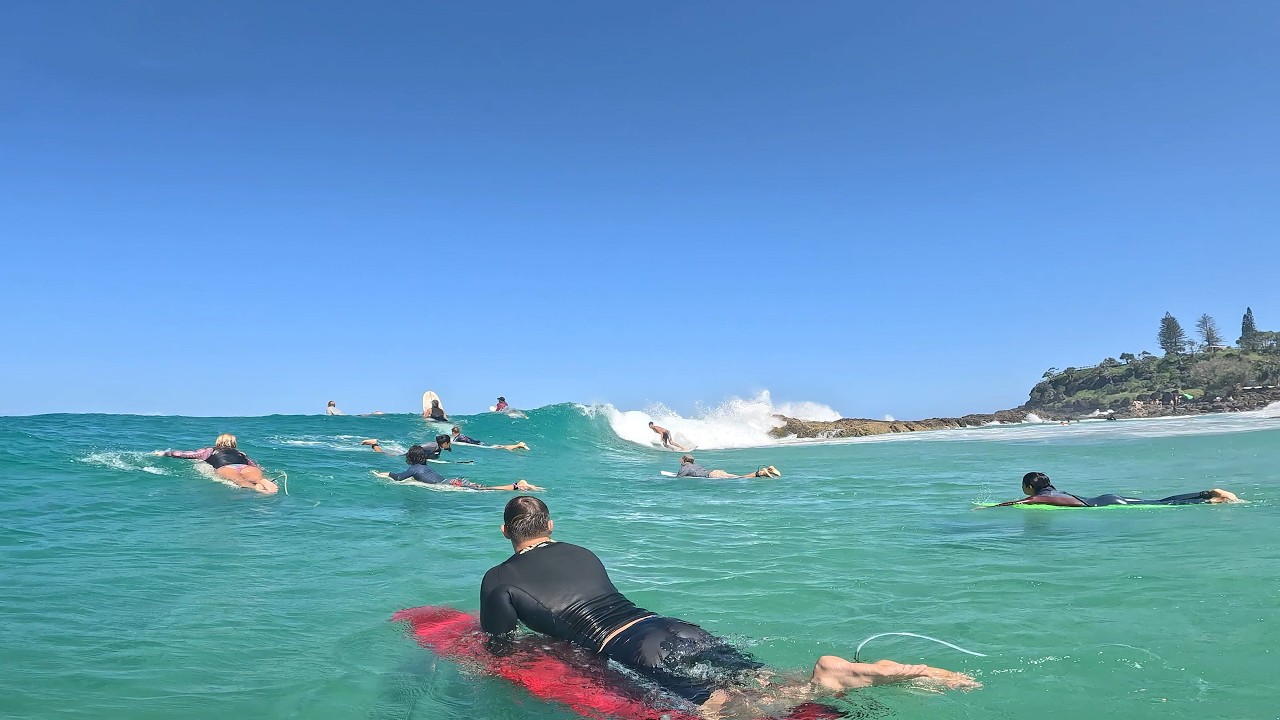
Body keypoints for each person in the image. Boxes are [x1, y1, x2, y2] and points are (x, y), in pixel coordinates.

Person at [481, 498, 977, 717]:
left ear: (506, 532)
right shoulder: (582, 551)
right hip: (669, 626)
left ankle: (821, 681)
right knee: (754, 680)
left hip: (627, 649)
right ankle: (830, 676)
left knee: (722, 711)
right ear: (552, 524)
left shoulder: (499, 578)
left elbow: (501, 641)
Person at [990, 472, 1243, 508]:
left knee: (1158, 504)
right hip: (1107, 497)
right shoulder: (1055, 491)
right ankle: (1206, 494)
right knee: (1157, 501)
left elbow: (1024, 502)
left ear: (1028, 487)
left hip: (1105, 504)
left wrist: (991, 507)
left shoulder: (1038, 498)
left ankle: (1208, 500)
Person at [372, 445, 542, 491]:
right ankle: (517, 485)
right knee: (483, 488)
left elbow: (400, 477)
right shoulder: (424, 466)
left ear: (411, 457)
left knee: (485, 489)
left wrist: (385, 473)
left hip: (450, 484)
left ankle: (517, 485)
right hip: (453, 481)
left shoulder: (415, 468)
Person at [154, 434, 279, 495]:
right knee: (257, 477)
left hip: (226, 467)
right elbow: (254, 465)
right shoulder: (240, 453)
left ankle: (256, 489)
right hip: (246, 467)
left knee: (238, 480)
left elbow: (186, 454)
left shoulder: (209, 450)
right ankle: (261, 481)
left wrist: (165, 454)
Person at [677, 455, 779, 479]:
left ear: (685, 460)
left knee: (740, 478)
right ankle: (766, 471)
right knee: (739, 477)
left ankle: (763, 473)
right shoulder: (696, 465)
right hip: (715, 471)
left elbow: (679, 477)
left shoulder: (686, 467)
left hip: (713, 475)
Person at [362, 434, 454, 456]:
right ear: (445, 443)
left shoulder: (439, 446)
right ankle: (374, 444)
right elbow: (419, 447)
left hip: (413, 454)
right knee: (383, 454)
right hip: (409, 454)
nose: (450, 445)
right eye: (449, 443)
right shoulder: (433, 445)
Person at [451, 426, 529, 451]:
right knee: (500, 446)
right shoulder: (462, 435)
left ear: (453, 432)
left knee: (500, 447)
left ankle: (519, 445)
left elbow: (453, 442)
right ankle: (517, 445)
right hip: (480, 442)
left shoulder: (457, 438)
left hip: (479, 444)